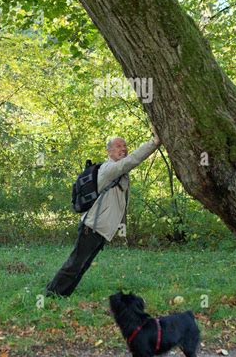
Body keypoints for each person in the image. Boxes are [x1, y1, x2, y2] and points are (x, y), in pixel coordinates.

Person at [44, 127, 161, 297]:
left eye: (125, 146)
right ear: (109, 151)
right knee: (75, 263)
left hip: (99, 229)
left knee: (82, 264)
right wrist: (154, 143)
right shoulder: (108, 169)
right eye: (119, 146)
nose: (124, 149)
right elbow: (133, 160)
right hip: (91, 227)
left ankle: (62, 294)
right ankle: (51, 293)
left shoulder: (120, 172)